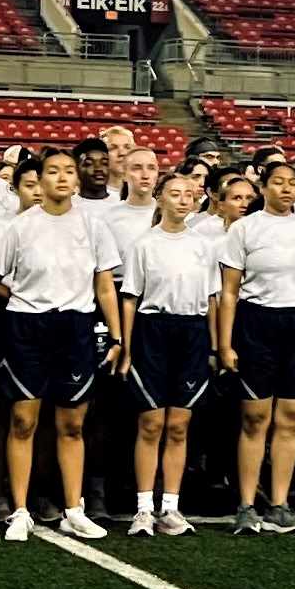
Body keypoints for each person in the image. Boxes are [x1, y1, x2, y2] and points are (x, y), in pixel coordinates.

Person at [0, 146, 118, 543]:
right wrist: (23, 299)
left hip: (76, 327)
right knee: (23, 421)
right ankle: (20, 511)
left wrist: (116, 336)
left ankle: (73, 510)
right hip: (27, 327)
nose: (61, 177)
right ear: (40, 180)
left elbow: (105, 284)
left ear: (76, 179)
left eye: (68, 171)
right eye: (53, 171)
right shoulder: (19, 227)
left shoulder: (93, 226)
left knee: (72, 423)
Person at [216, 156, 295, 535]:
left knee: (291, 417)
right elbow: (229, 292)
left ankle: (280, 504)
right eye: (279, 182)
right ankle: (246, 503)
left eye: (293, 183)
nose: (286, 189)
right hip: (256, 325)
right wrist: (225, 344)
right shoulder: (244, 229)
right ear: (264, 187)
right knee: (255, 418)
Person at [116, 164, 223, 537]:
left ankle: (171, 507)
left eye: (188, 195)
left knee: (179, 425)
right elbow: (130, 298)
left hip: (192, 334)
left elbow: (212, 300)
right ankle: (144, 508)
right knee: (151, 423)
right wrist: (126, 347)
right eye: (174, 194)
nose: (182, 200)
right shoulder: (144, 244)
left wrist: (214, 346)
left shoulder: (203, 246)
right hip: (153, 333)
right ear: (160, 198)